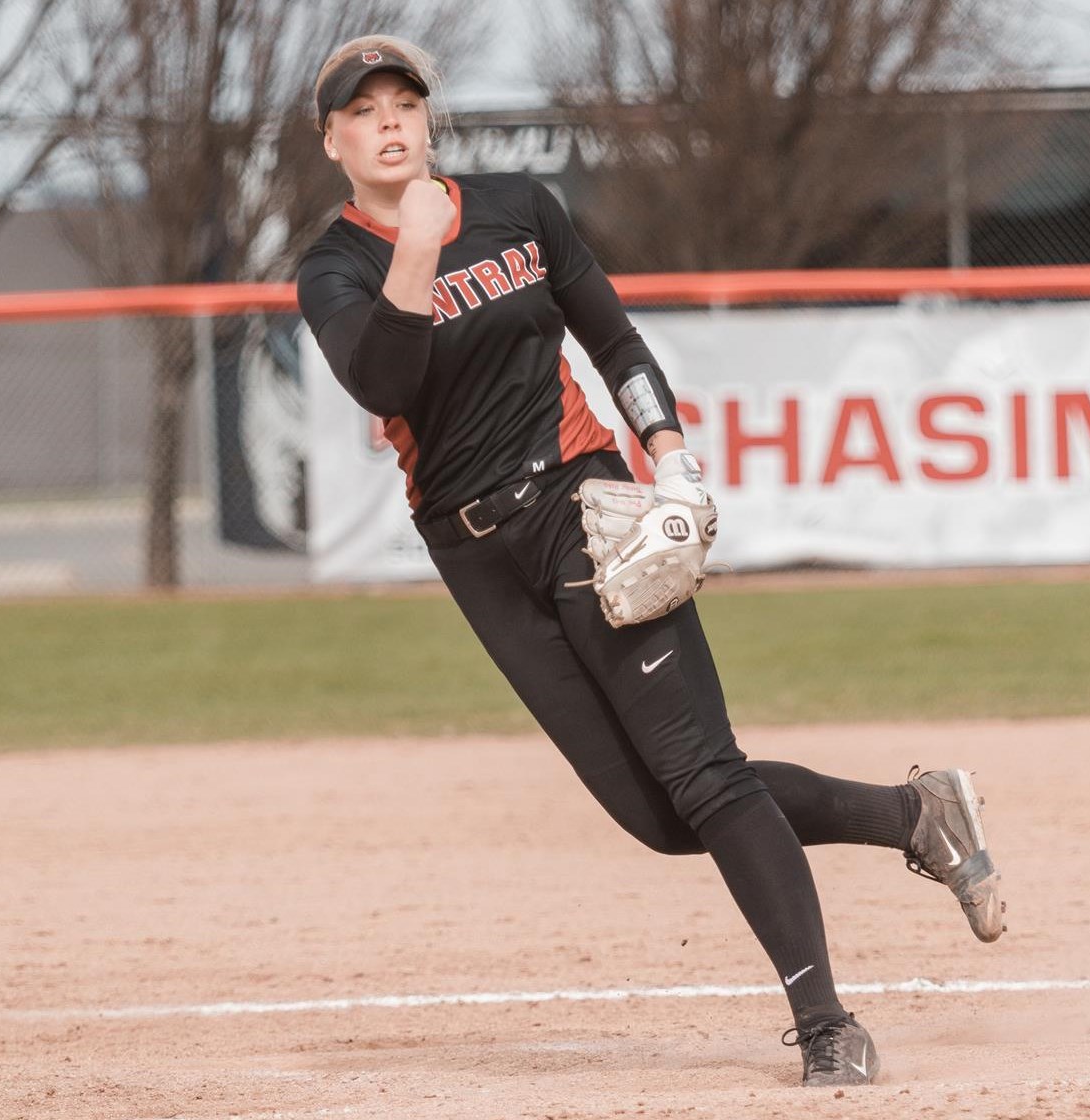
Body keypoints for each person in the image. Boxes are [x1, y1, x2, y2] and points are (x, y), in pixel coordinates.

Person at [293, 35, 1006, 1088]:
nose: (388, 121)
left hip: (580, 503)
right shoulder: (334, 268)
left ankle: (827, 1026)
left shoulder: (518, 208)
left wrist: (669, 456)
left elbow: (613, 339)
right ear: (333, 142)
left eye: (404, 102)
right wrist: (416, 248)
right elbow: (383, 384)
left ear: (429, 120)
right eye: (363, 111)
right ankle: (914, 814)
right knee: (662, 820)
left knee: (706, 774)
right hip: (474, 553)